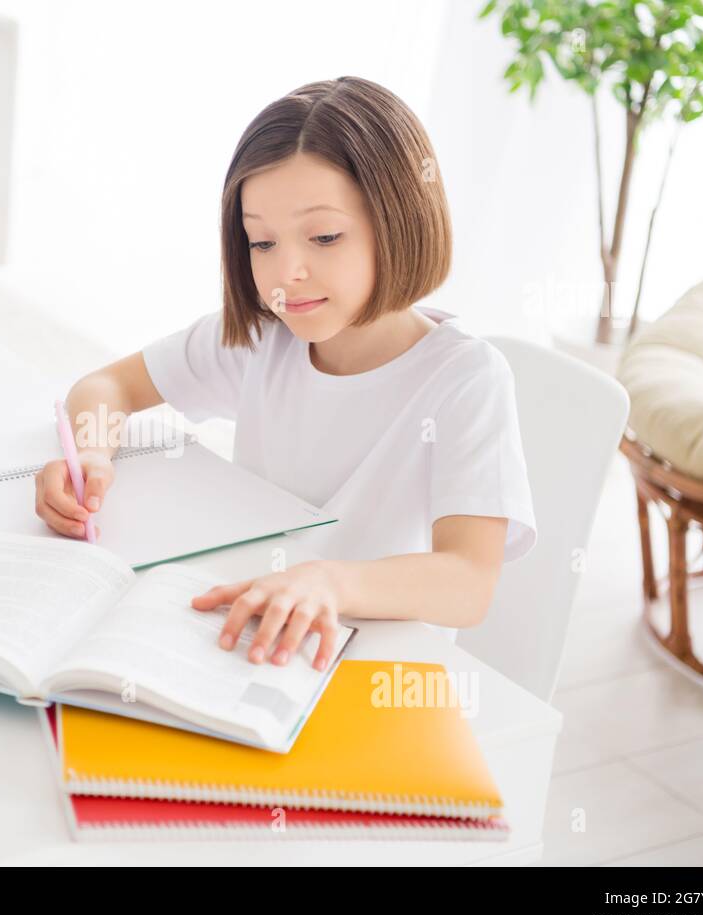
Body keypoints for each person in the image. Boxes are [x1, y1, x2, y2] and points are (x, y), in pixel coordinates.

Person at [35, 76, 536, 671]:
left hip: (373, 667)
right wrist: (90, 454)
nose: (287, 272)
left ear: (400, 220)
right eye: (262, 242)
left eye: (324, 236)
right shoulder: (258, 337)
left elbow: (467, 582)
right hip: (253, 642)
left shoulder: (466, 379)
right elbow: (106, 387)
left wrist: (328, 582)